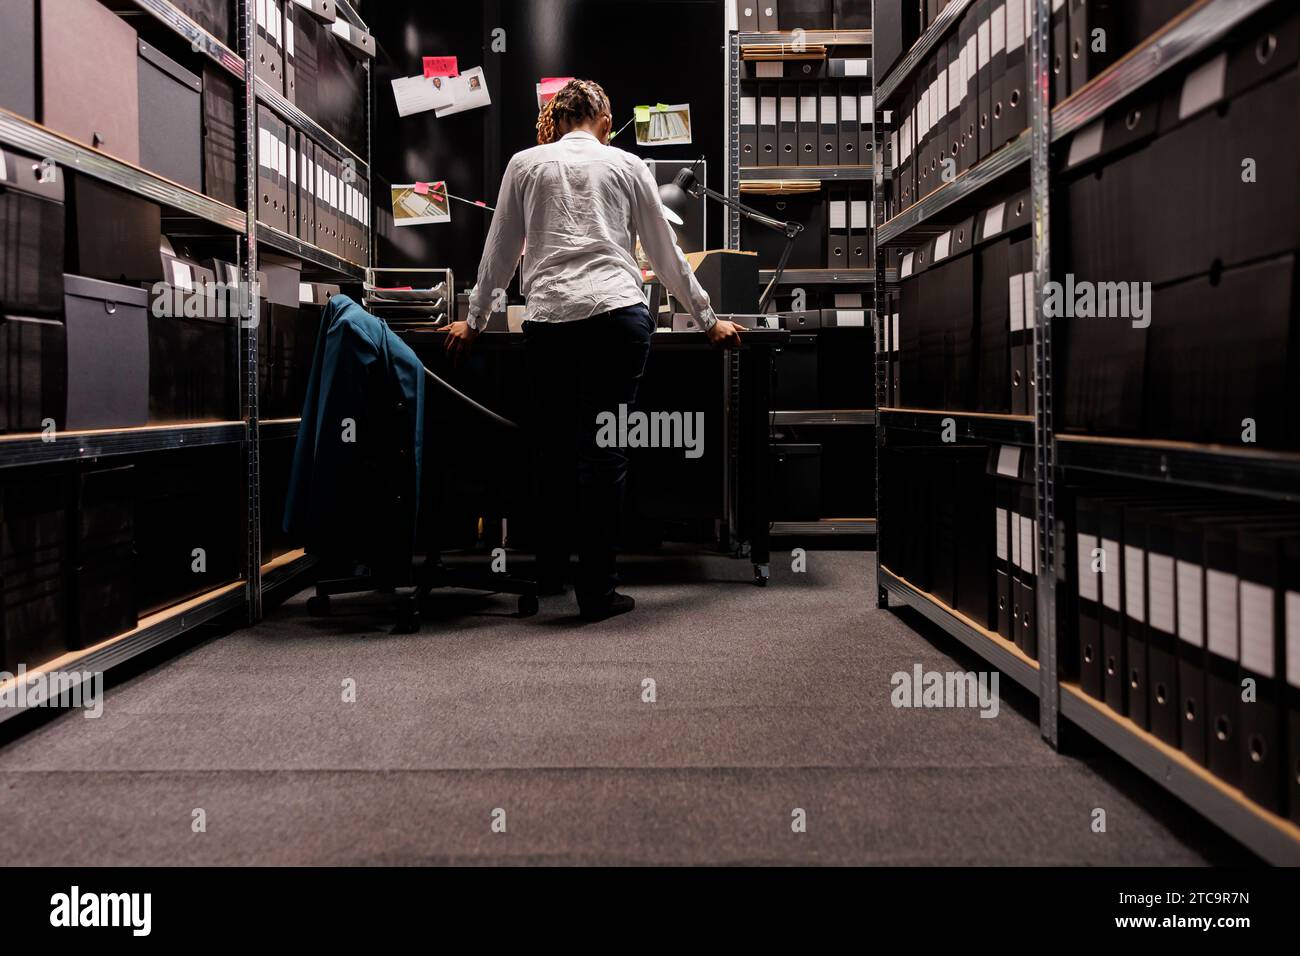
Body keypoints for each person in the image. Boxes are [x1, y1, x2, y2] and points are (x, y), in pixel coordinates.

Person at [442, 78, 742, 621]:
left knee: (554, 450)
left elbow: (501, 249)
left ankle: (552, 574)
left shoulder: (524, 164)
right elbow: (665, 251)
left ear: (556, 120)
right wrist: (708, 319)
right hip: (616, 320)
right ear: (604, 120)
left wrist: (474, 321)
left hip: (551, 322)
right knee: (603, 452)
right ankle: (597, 592)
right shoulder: (626, 166)